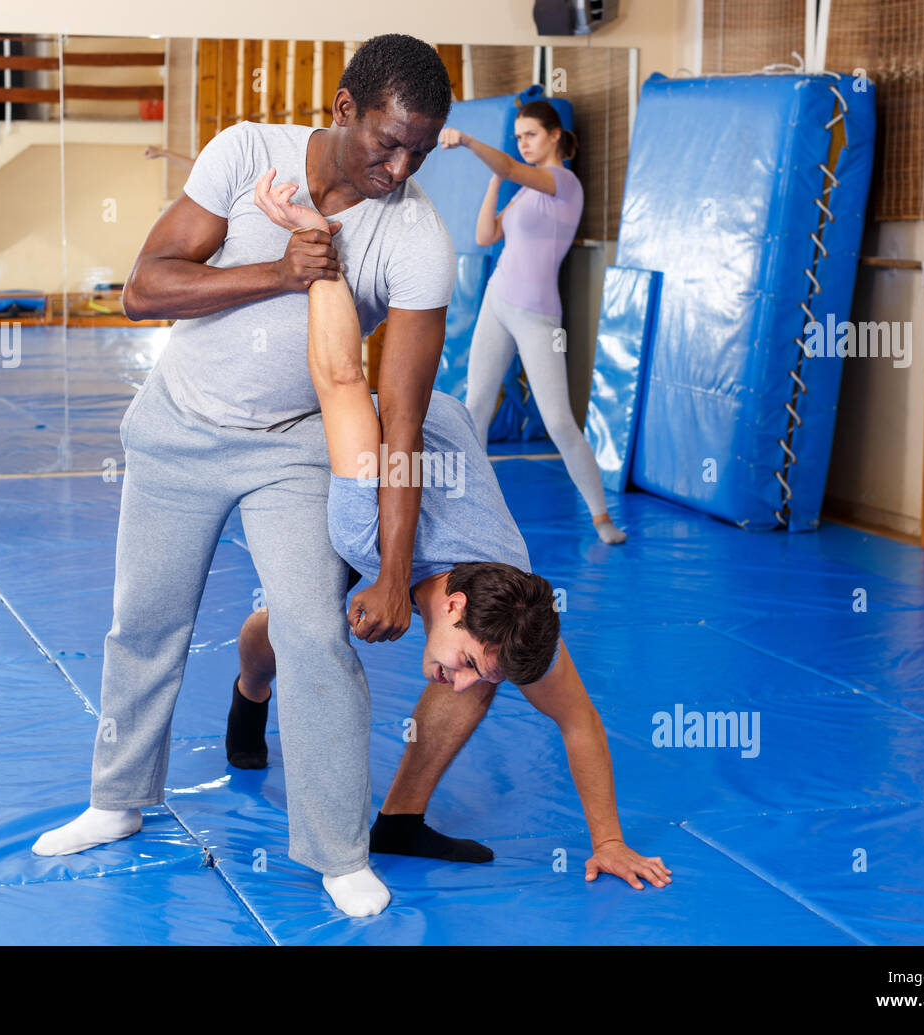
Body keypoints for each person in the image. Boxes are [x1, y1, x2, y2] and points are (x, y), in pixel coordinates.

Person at [31, 34, 458, 919]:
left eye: (421, 147)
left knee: (313, 631)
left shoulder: (417, 236)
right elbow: (143, 290)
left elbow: (405, 418)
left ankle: (339, 847)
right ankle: (116, 800)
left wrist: (390, 568)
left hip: (296, 446)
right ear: (343, 108)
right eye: (388, 139)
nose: (402, 164)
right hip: (178, 421)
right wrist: (277, 270)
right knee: (143, 620)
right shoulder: (246, 152)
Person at [225, 170, 672, 892]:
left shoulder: (512, 604)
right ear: (455, 606)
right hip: (359, 447)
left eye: (472, 668)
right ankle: (249, 691)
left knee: (485, 674)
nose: (459, 677)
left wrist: (610, 840)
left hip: (447, 437)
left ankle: (400, 818)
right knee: (298, 625)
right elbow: (341, 379)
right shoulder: (361, 518)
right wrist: (315, 241)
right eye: (466, 657)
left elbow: (580, 722)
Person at [441, 101, 628, 545]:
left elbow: (507, 163)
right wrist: (495, 179)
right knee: (476, 410)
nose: (523, 143)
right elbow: (486, 235)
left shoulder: (562, 182)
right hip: (498, 301)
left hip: (539, 317)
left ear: (555, 136)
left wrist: (467, 140)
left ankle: (601, 517)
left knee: (560, 420)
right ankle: (470, 514)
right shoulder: (525, 190)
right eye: (519, 136)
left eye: (531, 135)